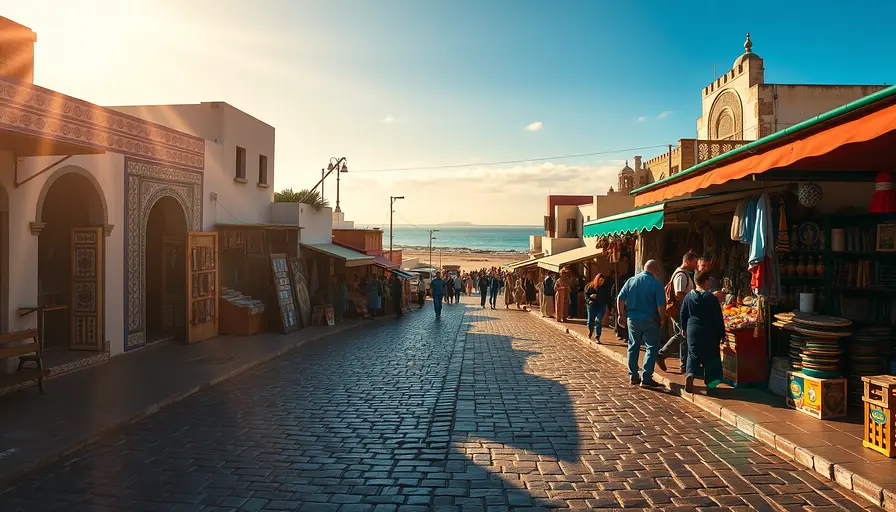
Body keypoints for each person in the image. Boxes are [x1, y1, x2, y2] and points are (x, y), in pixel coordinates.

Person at [616, 260, 666, 388]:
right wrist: (662, 318)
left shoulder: (631, 280)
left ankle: (633, 376)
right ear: (655, 270)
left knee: (633, 346)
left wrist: (621, 314)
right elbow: (661, 305)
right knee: (651, 347)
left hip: (632, 319)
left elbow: (620, 298)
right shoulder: (657, 284)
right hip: (650, 320)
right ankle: (646, 377)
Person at [680, 270, 725, 394]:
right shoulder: (711, 298)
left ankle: (690, 373)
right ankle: (711, 385)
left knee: (693, 353)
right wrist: (722, 333)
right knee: (711, 356)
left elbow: (683, 313)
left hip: (692, 328)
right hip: (709, 330)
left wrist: (683, 328)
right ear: (707, 282)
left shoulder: (688, 297)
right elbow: (718, 316)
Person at [657, 252, 698, 374]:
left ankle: (682, 364)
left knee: (681, 335)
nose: (695, 265)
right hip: (680, 309)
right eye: (694, 262)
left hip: (681, 309)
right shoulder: (681, 275)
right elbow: (679, 294)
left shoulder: (684, 274)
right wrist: (693, 297)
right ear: (687, 262)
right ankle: (663, 355)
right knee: (684, 334)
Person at [584, 273, 611, 342]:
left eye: (602, 280)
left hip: (601, 305)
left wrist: (611, 307)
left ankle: (597, 337)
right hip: (592, 305)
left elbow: (608, 297)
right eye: (600, 280)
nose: (601, 282)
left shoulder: (605, 287)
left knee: (598, 321)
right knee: (590, 321)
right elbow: (586, 295)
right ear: (597, 279)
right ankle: (590, 331)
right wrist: (589, 299)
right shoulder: (591, 286)